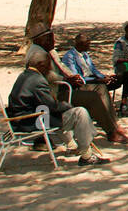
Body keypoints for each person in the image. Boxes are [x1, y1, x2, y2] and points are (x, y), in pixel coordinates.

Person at [8, 22, 109, 167]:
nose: (50, 68)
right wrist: (65, 106)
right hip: (32, 122)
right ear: (41, 66)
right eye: (48, 66)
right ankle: (86, 155)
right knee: (79, 113)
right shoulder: (38, 80)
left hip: (24, 118)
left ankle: (73, 145)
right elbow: (51, 107)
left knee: (68, 113)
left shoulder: (25, 76)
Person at [57, 33, 128, 141]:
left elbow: (93, 69)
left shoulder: (85, 54)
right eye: (87, 44)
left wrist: (104, 77)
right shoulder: (70, 57)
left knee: (115, 81)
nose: (89, 46)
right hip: (80, 85)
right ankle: (111, 129)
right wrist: (98, 80)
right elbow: (78, 78)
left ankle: (114, 124)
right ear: (80, 44)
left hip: (92, 80)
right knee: (100, 88)